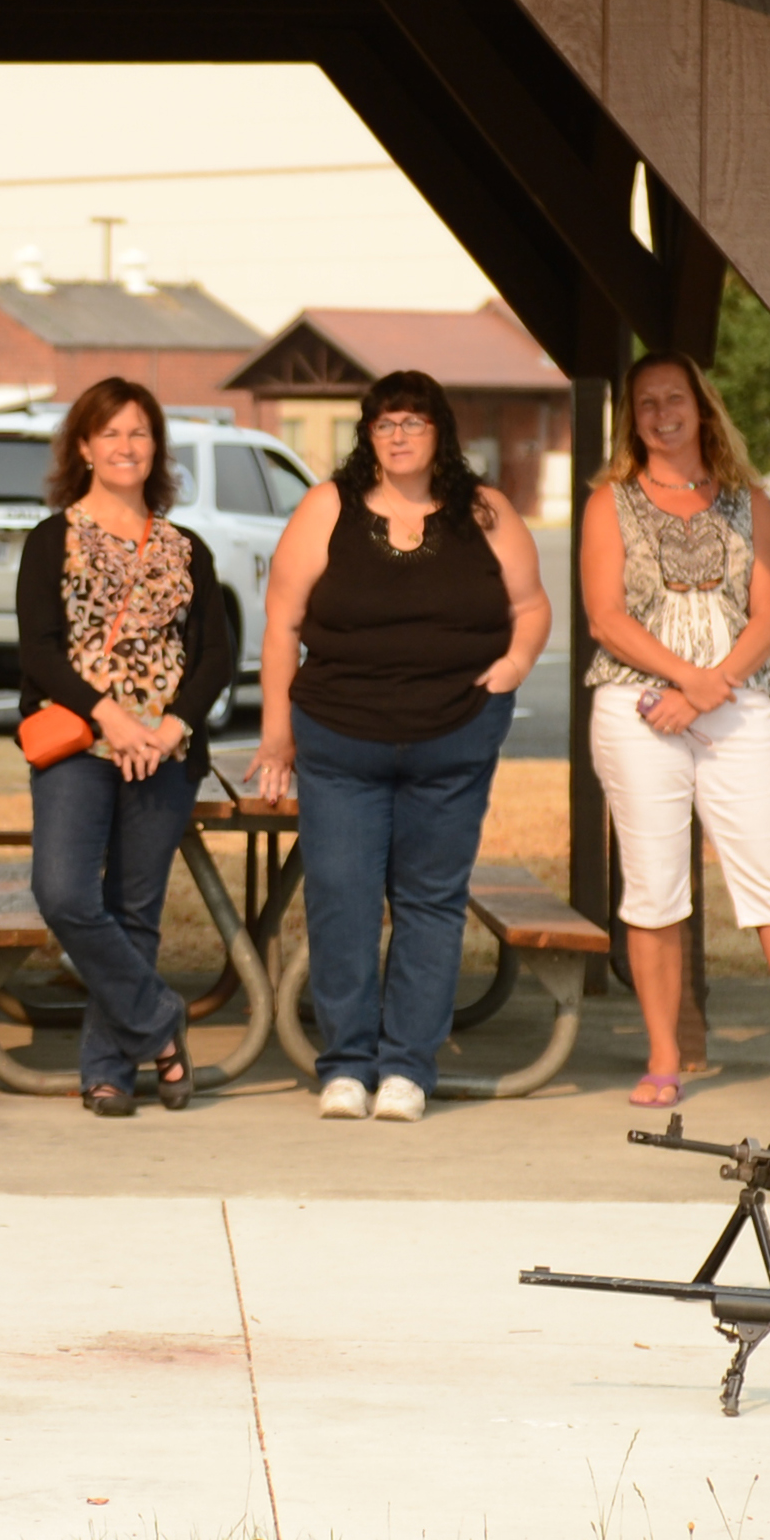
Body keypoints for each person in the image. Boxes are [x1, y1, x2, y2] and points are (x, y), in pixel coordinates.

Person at [253, 369, 551, 1123]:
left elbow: (530, 604)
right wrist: (275, 739)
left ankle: (408, 1069)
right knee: (341, 899)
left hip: (453, 736)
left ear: (439, 431)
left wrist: (512, 668)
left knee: (429, 902)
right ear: (367, 432)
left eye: (413, 421)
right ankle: (347, 1066)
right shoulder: (328, 507)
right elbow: (283, 620)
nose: (398, 434)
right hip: (340, 740)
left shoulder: (484, 511)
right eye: (384, 422)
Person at [577, 348, 770, 1115]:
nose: (661, 414)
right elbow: (605, 617)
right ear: (631, 421)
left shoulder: (748, 501)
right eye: (645, 404)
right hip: (637, 713)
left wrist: (705, 690)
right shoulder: (607, 503)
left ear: (701, 407)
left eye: (674, 399)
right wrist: (684, 681)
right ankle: (664, 1057)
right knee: (654, 886)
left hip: (734, 709)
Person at [18, 378, 230, 1116]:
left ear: (155, 448)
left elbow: (214, 656)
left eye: (138, 433)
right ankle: (159, 1024)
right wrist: (111, 716)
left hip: (163, 751)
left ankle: (109, 1069)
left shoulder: (185, 549)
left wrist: (171, 729)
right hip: (79, 740)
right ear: (82, 447)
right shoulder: (54, 539)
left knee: (135, 909)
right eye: (109, 433)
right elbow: (39, 652)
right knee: (65, 894)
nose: (125, 446)